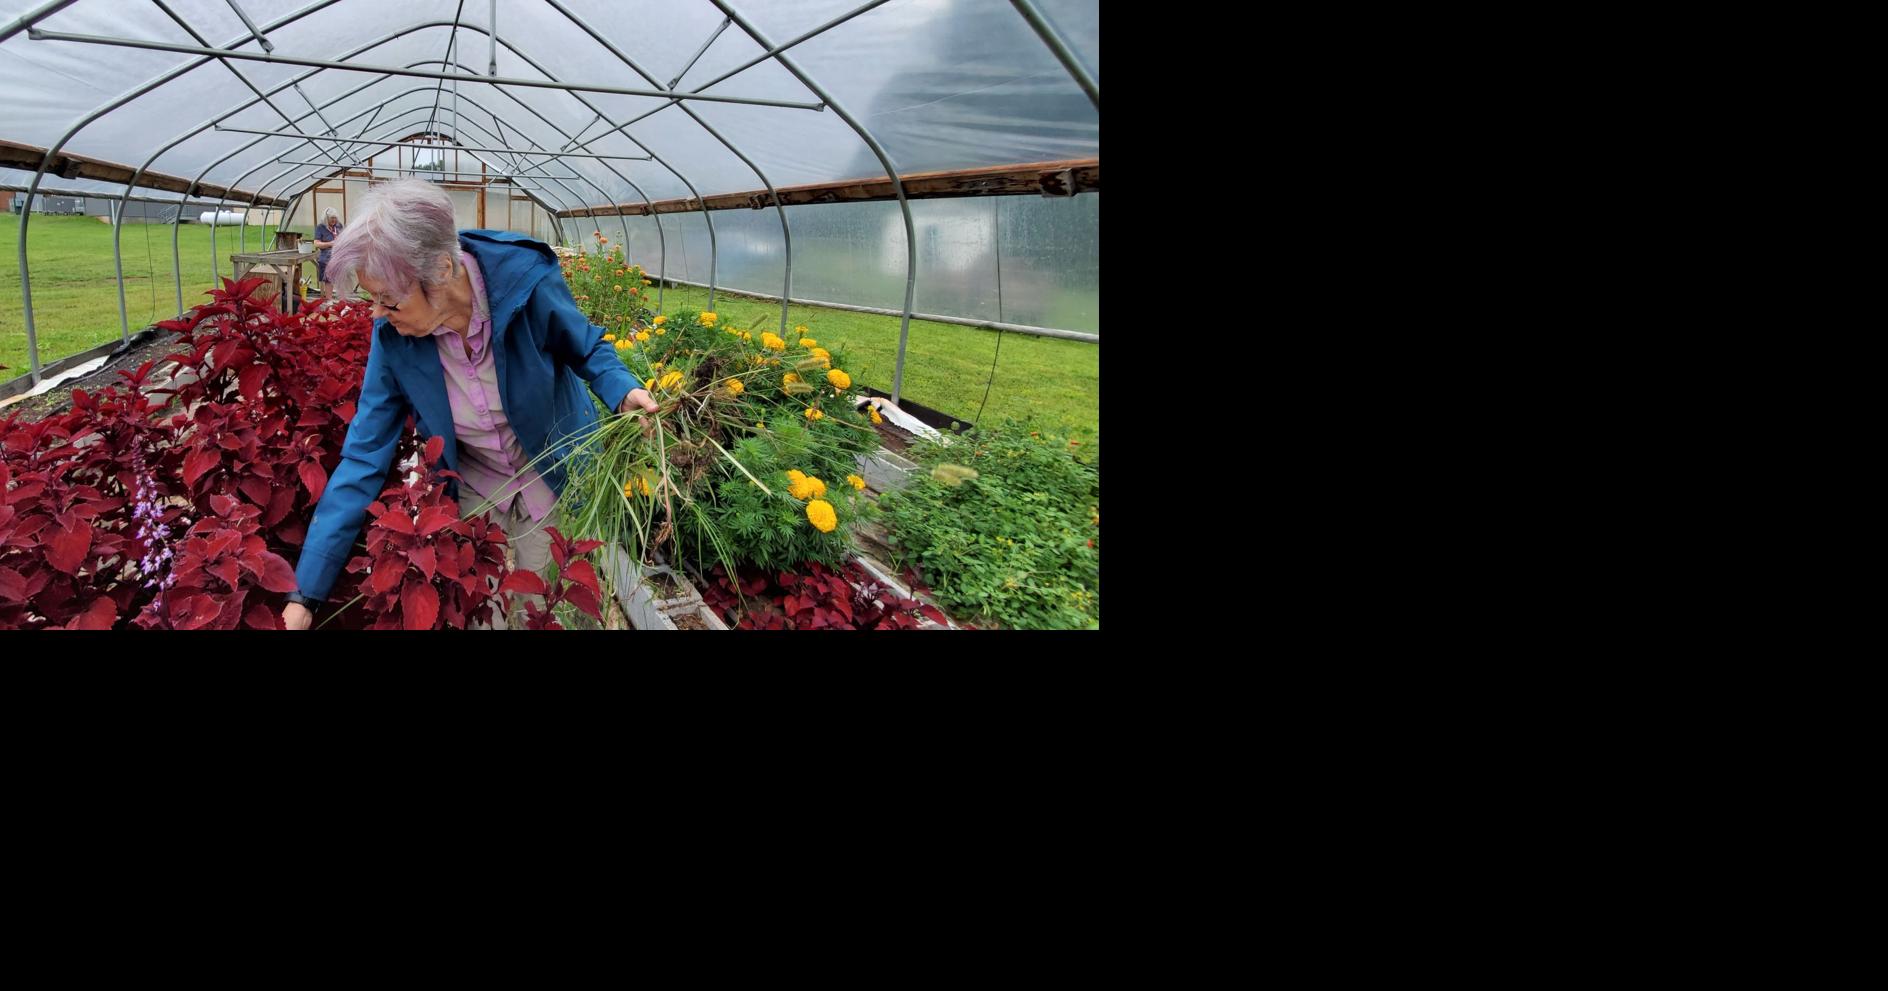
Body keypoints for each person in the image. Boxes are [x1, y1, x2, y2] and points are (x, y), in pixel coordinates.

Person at [280, 179, 659, 630]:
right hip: (478, 481)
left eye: (389, 300)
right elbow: (364, 453)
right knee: (485, 610)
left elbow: (584, 345)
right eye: (372, 299)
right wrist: (306, 593)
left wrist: (621, 389)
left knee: (553, 605)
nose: (377, 314)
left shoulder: (524, 280)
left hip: (550, 467)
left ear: (441, 271)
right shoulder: (394, 337)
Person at [311, 207, 343, 298]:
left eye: (335, 218)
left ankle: (342, 300)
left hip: (339, 255)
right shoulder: (321, 227)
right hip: (326, 256)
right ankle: (329, 300)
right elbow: (316, 244)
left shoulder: (339, 226)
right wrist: (330, 244)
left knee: (342, 277)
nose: (334, 220)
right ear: (326, 218)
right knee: (328, 279)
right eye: (331, 218)